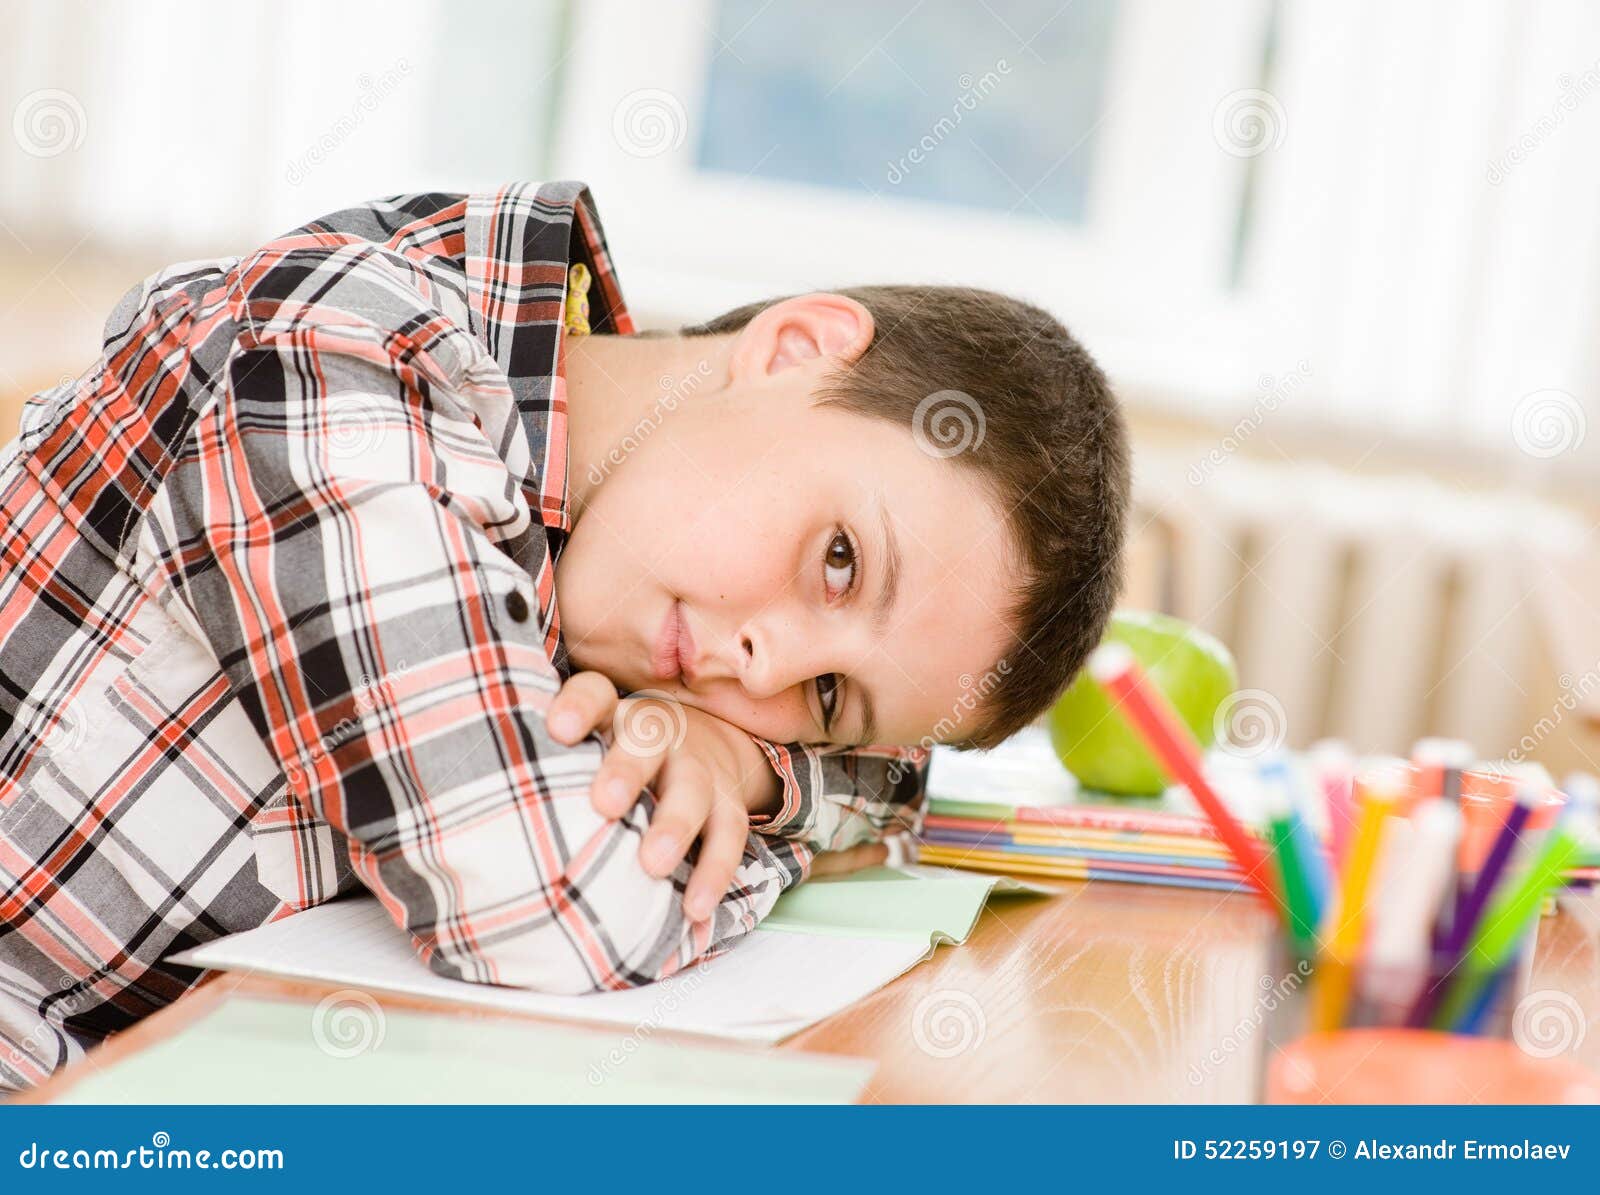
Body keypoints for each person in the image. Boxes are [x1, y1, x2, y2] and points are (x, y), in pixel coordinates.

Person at [0, 181, 1128, 1090]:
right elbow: (548, 906)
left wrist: (749, 764)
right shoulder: (333, 348)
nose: (766, 664)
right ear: (794, 349)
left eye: (827, 698)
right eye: (839, 560)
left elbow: (894, 783)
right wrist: (766, 809)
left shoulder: (622, 543)